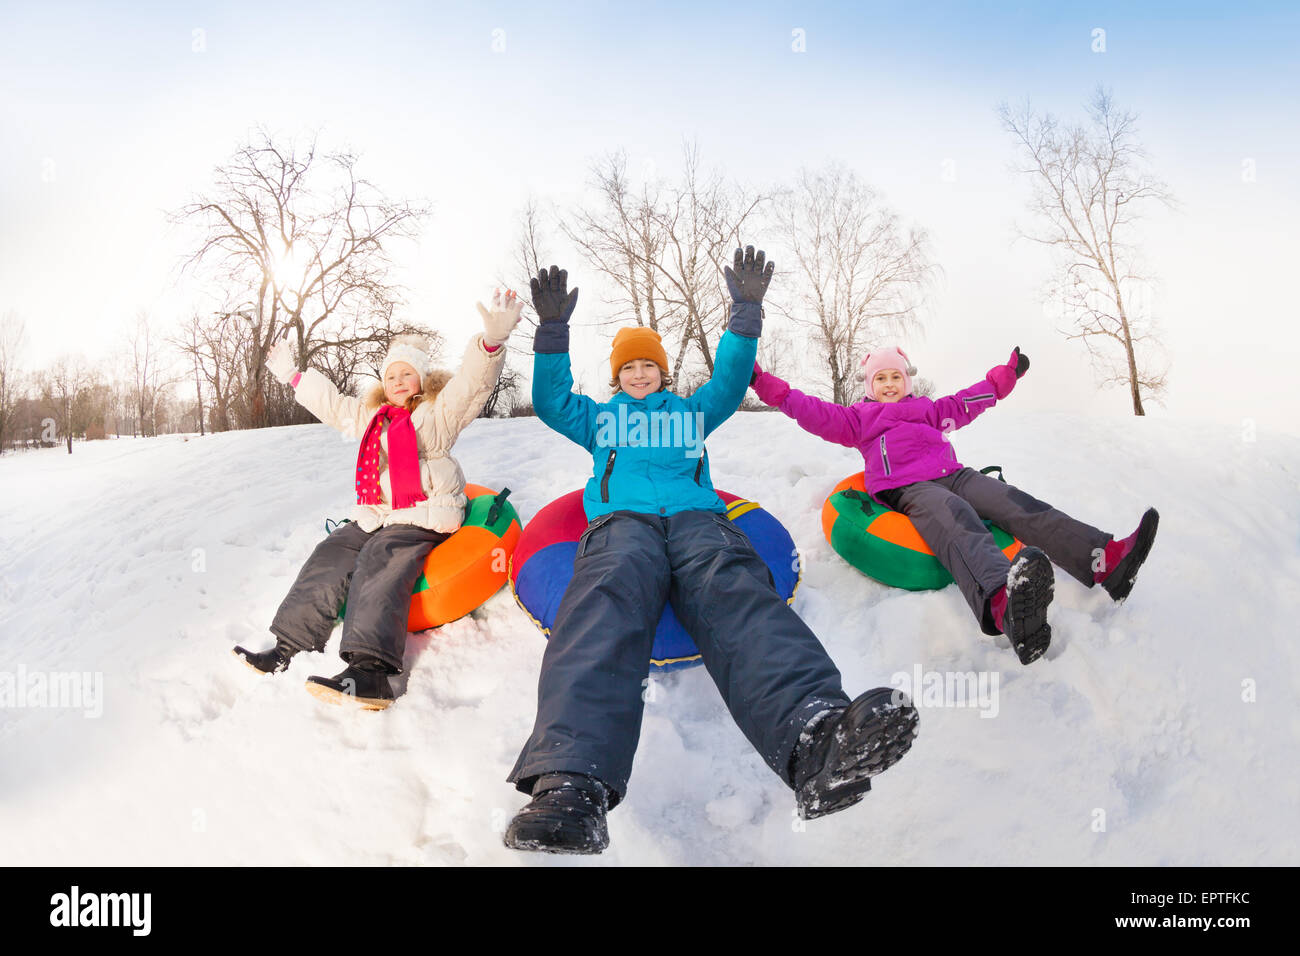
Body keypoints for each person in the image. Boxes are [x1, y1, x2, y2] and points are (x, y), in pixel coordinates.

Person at [504, 250, 920, 855]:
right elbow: (551, 400)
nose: (640, 374)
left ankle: (816, 740)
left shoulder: (690, 413)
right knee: (605, 597)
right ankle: (571, 783)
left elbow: (729, 381)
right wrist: (551, 333)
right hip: (624, 525)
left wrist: (745, 316)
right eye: (629, 367)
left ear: (663, 371)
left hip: (697, 521)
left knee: (733, 588)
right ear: (617, 375)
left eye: (650, 365)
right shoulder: (600, 420)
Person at [750, 346, 1159, 665]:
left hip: (954, 473)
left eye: (896, 376)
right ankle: (1004, 602)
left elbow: (968, 401)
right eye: (881, 378)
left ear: (907, 381)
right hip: (906, 487)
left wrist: (1005, 376)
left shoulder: (927, 411)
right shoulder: (859, 419)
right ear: (870, 386)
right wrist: (761, 381)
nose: (890, 383)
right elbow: (804, 407)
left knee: (1014, 502)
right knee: (956, 518)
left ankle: (1106, 559)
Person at [231, 290, 523, 708]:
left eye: (408, 375)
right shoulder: (374, 419)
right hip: (379, 513)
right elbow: (333, 406)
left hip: (424, 513)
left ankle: (371, 673)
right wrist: (295, 376)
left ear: (421, 381)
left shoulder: (438, 414)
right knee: (332, 551)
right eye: (392, 376)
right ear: (383, 384)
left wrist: (490, 344)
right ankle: (285, 648)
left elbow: (472, 386)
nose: (399, 382)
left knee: (380, 555)